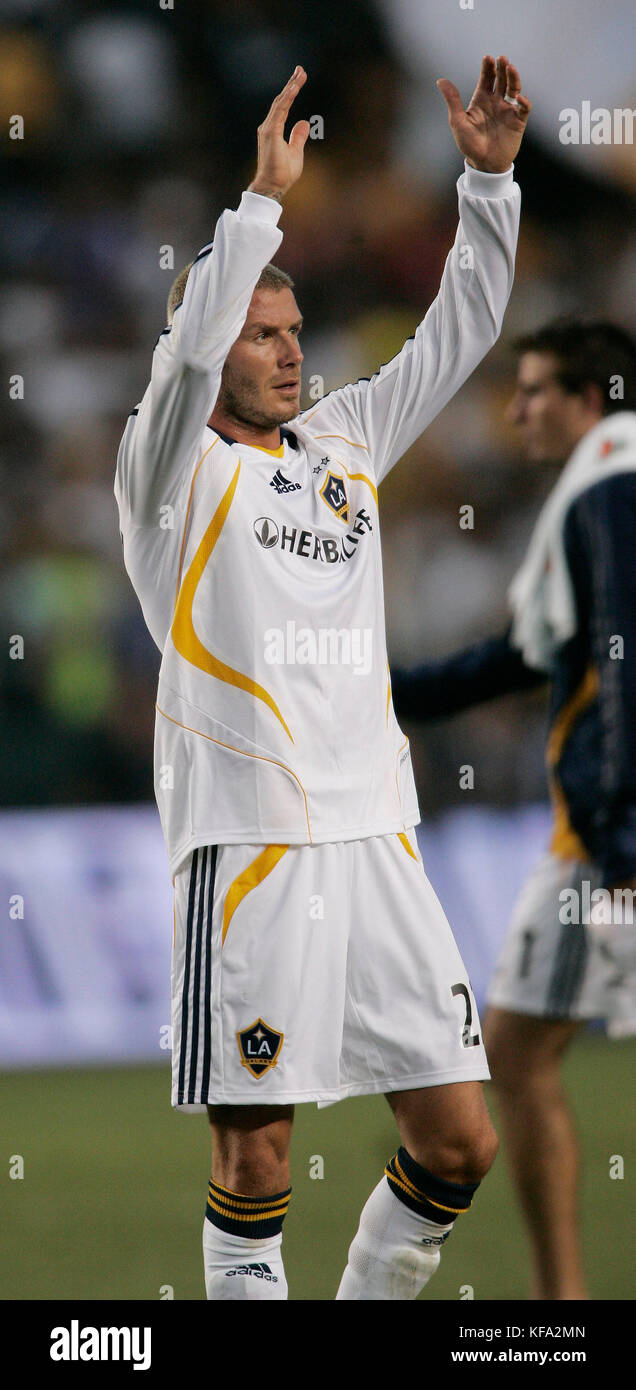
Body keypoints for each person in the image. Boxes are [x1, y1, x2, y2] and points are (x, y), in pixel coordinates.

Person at [115, 57, 531, 1301]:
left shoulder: (341, 439)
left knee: (460, 1139)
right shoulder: (168, 475)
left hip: (379, 842)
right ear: (212, 340)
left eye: (296, 334)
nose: (290, 355)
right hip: (252, 849)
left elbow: (459, 330)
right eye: (263, 334)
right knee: (255, 1155)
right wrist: (259, 205)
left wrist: (490, 184)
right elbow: (188, 356)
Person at [391, 319, 636, 1299]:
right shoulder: (598, 490)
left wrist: (621, 837)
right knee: (518, 1049)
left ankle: (562, 1298)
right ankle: (562, 1299)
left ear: (590, 401)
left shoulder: (612, 482)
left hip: (605, 838)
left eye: (535, 389)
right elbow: (523, 657)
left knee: (517, 1053)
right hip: (603, 830)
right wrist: (378, 689)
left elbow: (623, 656)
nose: (518, 408)